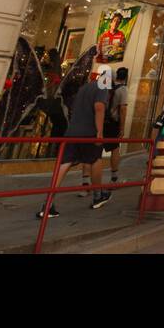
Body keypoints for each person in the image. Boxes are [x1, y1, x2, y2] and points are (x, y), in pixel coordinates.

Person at [38, 62, 111, 218]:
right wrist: (99, 132)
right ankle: (98, 195)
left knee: (64, 164)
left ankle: (48, 202)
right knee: (96, 160)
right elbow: (99, 107)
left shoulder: (84, 88)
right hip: (89, 132)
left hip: (72, 132)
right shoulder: (103, 86)